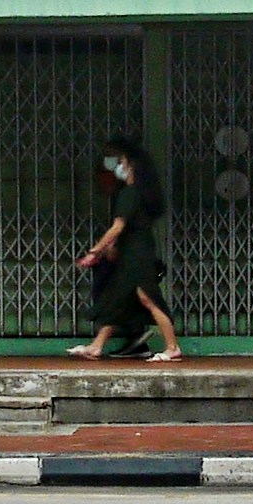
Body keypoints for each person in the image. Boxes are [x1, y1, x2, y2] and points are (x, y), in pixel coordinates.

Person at [70, 137, 181, 362]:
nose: (117, 167)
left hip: (136, 256)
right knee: (117, 298)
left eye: (121, 162)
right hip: (134, 252)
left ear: (131, 166)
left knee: (148, 297)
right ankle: (96, 346)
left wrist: (94, 251)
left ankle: (172, 347)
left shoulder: (130, 194)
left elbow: (118, 227)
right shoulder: (136, 193)